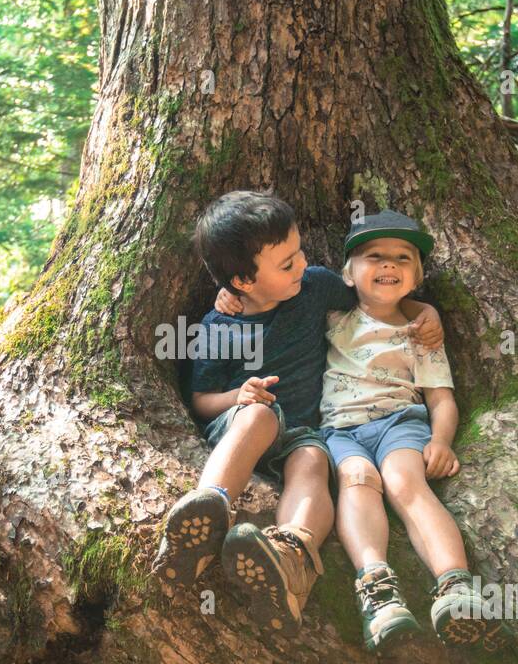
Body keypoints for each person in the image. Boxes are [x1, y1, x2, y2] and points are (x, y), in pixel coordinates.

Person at [155, 191, 443, 637]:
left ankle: (292, 558)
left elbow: (375, 298)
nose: (302, 265)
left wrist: (424, 310)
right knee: (260, 417)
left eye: (299, 253)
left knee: (312, 462)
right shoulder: (220, 326)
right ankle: (209, 511)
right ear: (243, 282)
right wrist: (238, 396)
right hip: (245, 425)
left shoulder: (314, 287)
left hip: (304, 432)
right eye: (286, 264)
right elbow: (201, 400)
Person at [320, 209, 498, 650]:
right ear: (348, 272)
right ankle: (377, 590)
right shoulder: (331, 319)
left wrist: (441, 440)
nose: (388, 265)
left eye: (403, 258)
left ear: (416, 276)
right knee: (357, 481)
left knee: (404, 482)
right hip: (340, 432)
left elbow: (441, 398)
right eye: (374, 255)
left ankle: (456, 585)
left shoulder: (421, 333)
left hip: (399, 424)